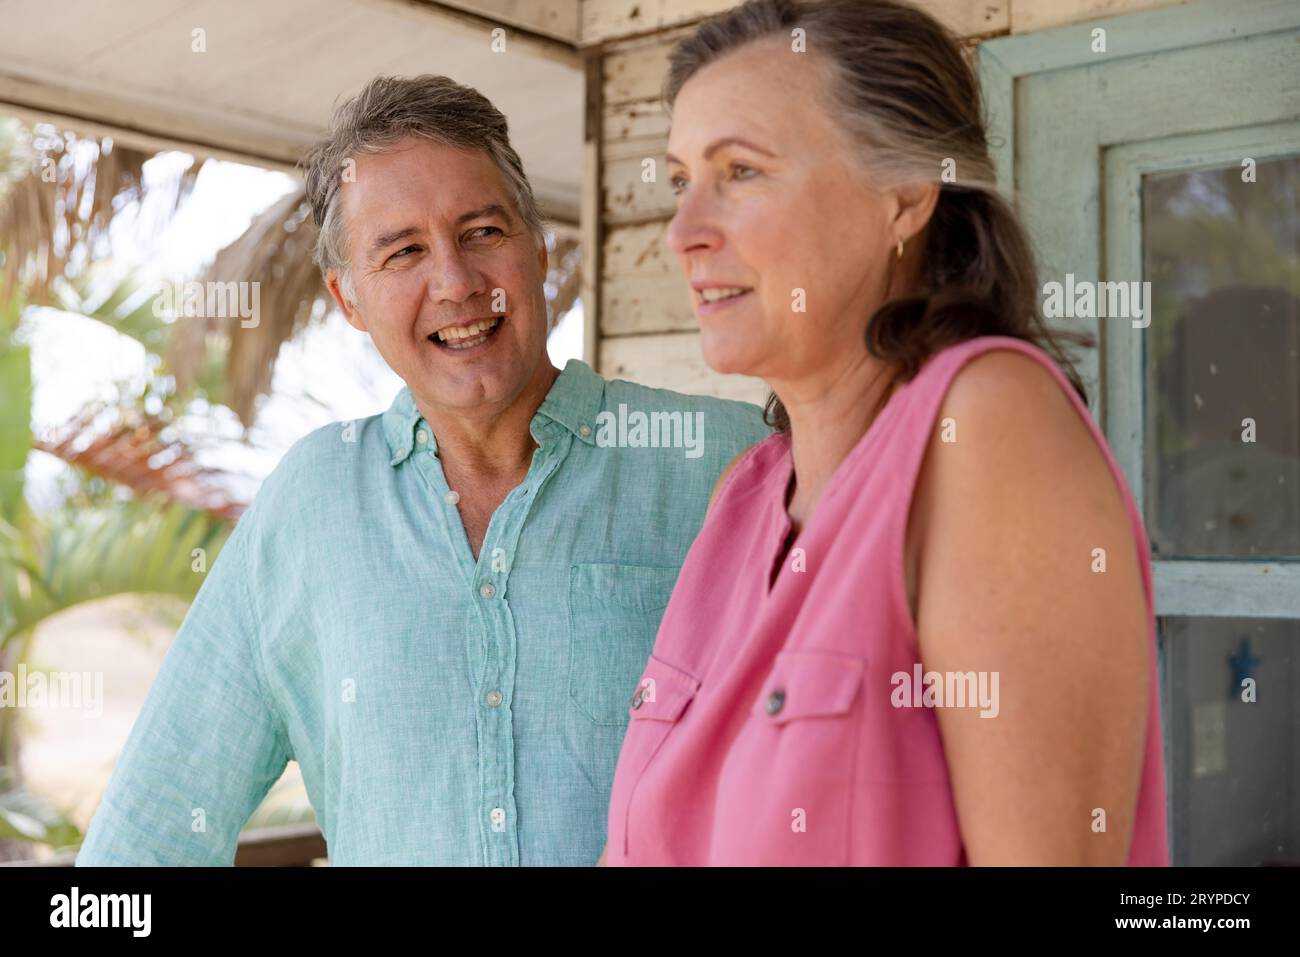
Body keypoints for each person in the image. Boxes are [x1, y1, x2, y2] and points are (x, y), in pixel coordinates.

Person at [77, 74, 769, 866]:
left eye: (482, 232)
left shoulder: (726, 462)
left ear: (538, 249)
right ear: (349, 299)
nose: (455, 281)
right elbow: (149, 829)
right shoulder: (312, 505)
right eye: (404, 251)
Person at [601, 0, 1168, 866]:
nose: (681, 234)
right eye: (681, 181)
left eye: (741, 171)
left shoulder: (984, 427)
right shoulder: (741, 500)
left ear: (904, 197)